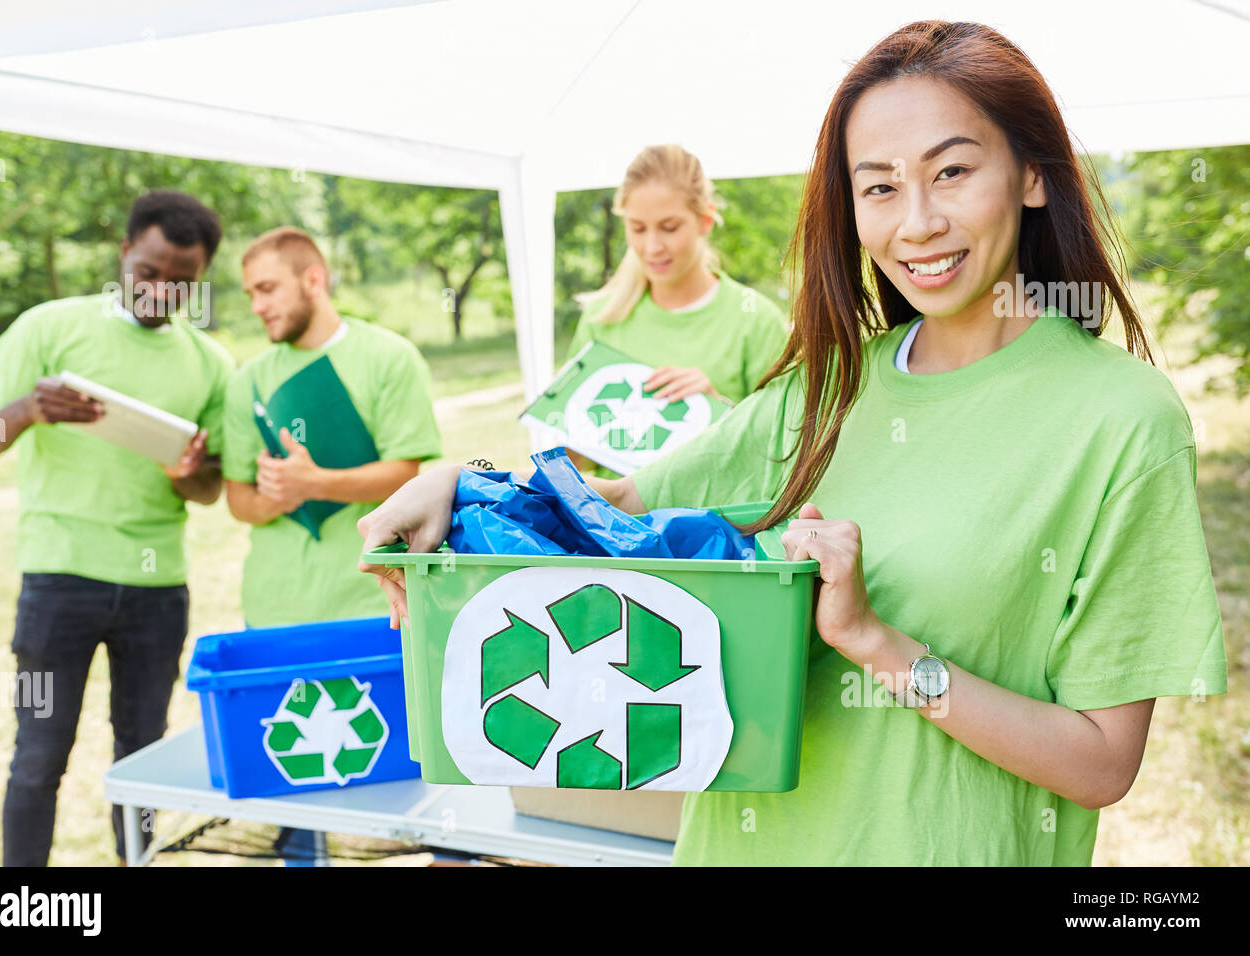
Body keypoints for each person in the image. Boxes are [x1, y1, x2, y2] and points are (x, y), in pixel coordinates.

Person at [355, 20, 1227, 866]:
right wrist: (460, 478)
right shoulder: (827, 386)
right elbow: (608, 507)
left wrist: (878, 645)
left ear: (1033, 175)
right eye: (878, 186)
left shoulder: (1121, 421)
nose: (916, 223)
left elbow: (1102, 763)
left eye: (952, 172)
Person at [0, 190, 235, 866]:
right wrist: (25, 410)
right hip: (57, 582)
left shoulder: (211, 363)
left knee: (141, 760)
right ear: (124, 254)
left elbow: (209, 490)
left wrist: (186, 472)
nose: (161, 290)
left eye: (182, 282)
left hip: (156, 589)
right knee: (39, 755)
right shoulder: (47, 327)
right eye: (149, 272)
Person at [223, 226, 443, 632]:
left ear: (313, 280)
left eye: (267, 288)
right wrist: (279, 494)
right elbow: (239, 500)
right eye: (250, 294)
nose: (257, 305)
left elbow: (404, 476)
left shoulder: (390, 358)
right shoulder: (246, 381)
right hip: (275, 609)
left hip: (374, 603)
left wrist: (315, 482)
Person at [564, 144, 789, 475]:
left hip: (721, 525)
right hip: (619, 525)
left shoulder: (756, 320)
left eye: (669, 227)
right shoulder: (602, 318)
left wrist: (718, 408)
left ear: (705, 221)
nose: (652, 247)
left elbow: (784, 454)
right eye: (638, 229)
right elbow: (572, 457)